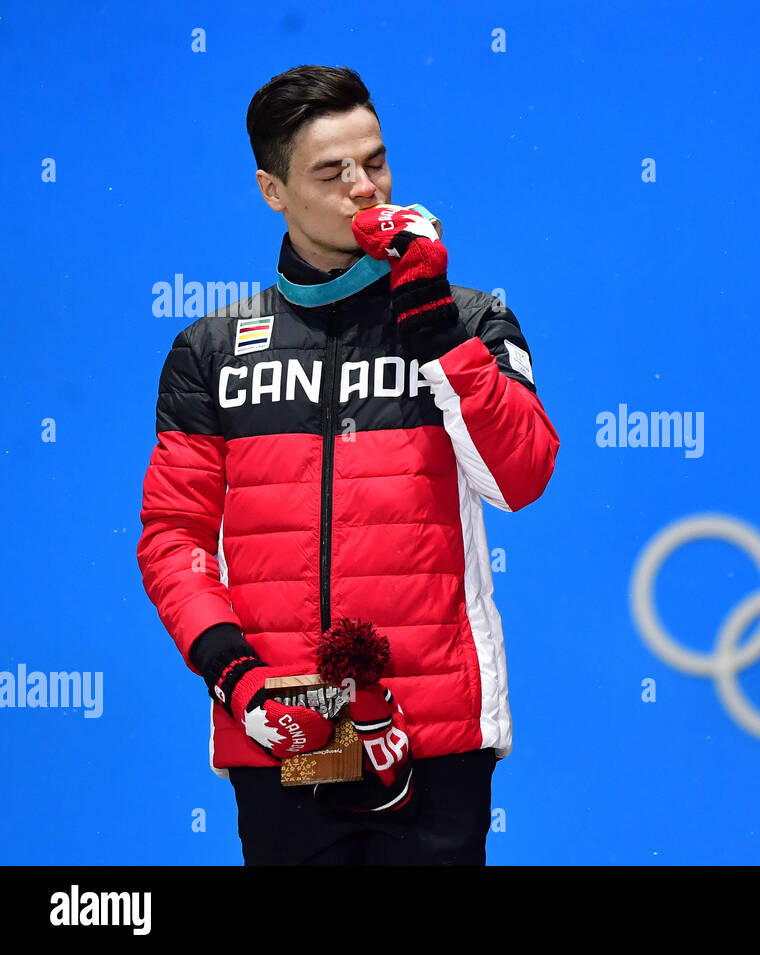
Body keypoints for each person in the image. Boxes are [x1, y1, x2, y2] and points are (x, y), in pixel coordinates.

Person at [136, 65, 561, 865]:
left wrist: (438, 334)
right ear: (273, 190)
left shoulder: (472, 315)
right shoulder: (211, 350)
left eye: (375, 162)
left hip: (434, 732)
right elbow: (172, 540)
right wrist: (235, 676)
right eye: (332, 173)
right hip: (284, 729)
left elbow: (523, 477)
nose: (364, 189)